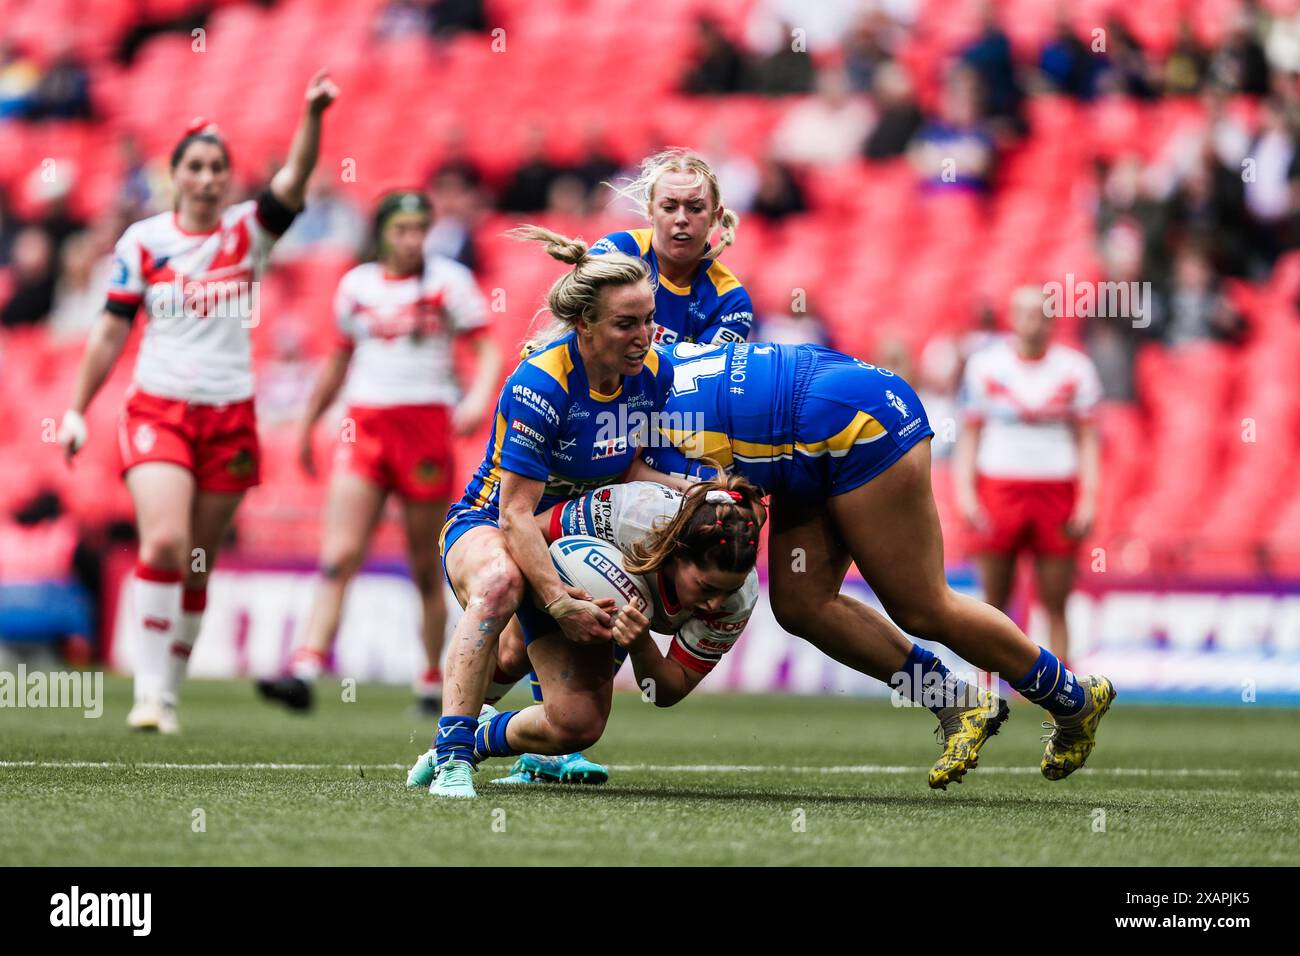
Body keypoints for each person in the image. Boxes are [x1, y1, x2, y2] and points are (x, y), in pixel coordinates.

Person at [642, 340, 1117, 785]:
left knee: (922, 607)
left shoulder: (633, 425)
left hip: (857, 422)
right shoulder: (640, 379)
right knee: (800, 604)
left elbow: (734, 521)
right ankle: (957, 701)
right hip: (805, 439)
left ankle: (1074, 699)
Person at [56, 70, 338, 733]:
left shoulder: (250, 234)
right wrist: (73, 407)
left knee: (197, 561)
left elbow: (295, 178)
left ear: (228, 178)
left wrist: (312, 114)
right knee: (165, 541)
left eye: (218, 167)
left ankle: (170, 691)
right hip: (160, 407)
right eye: (197, 167)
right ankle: (149, 692)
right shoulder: (144, 243)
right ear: (175, 175)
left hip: (231, 416)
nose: (209, 178)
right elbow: (108, 330)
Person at [424, 226, 674, 798]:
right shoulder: (542, 383)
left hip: (568, 533)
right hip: (489, 524)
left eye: (648, 320)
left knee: (564, 701)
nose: (645, 337)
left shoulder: (651, 374)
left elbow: (632, 472)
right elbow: (514, 515)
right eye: (626, 324)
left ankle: (526, 744)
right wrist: (560, 604)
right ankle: (452, 757)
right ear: (585, 324)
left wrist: (702, 492)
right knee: (499, 584)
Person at [256, 190, 501, 713]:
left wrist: (480, 396)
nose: (412, 239)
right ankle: (305, 665)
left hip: (424, 427)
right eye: (402, 229)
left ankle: (433, 677)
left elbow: (485, 348)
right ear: (383, 233)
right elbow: (338, 361)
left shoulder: (448, 283)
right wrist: (307, 424)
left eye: (420, 229)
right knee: (339, 555)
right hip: (365, 426)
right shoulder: (356, 287)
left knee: (422, 563)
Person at [406, 476, 764, 788]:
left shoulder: (740, 600)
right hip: (561, 582)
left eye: (726, 592)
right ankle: (457, 740)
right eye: (705, 588)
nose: (716, 604)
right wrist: (558, 602)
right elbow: (533, 534)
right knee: (555, 698)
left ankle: (474, 737)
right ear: (676, 554)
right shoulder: (626, 513)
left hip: (609, 611)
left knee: (571, 719)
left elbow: (668, 690)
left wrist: (641, 647)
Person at [955, 286, 1102, 668]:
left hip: (1056, 487)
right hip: (999, 484)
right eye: (1023, 313)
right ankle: (986, 688)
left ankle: (1065, 691)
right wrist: (967, 495)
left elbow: (1088, 440)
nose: (1031, 321)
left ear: (1052, 319)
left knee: (1056, 598)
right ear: (1012, 317)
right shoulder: (984, 366)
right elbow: (969, 434)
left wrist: (1088, 499)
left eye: (1039, 313)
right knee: (993, 601)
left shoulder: (1075, 369)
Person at [593, 148, 753, 347]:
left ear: (716, 216)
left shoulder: (730, 303)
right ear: (650, 212)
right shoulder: (617, 250)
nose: (681, 219)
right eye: (669, 208)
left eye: (695, 208)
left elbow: (699, 373)